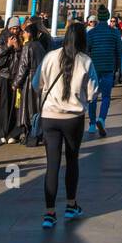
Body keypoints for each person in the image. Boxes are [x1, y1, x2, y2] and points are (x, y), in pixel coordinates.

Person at [32, 20, 98, 229]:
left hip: (49, 117)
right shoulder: (86, 61)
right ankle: (71, 206)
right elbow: (94, 92)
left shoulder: (50, 57)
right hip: (73, 119)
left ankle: (49, 214)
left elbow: (36, 85)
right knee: (72, 161)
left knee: (52, 164)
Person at [86, 4, 122, 137]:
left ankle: (91, 124)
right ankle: (101, 118)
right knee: (106, 96)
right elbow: (120, 52)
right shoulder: (114, 33)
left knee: (93, 97)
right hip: (108, 68)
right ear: (107, 18)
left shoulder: (91, 33)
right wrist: (119, 68)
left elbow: (86, 51)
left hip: (94, 69)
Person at [12, 19, 46, 144]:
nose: (23, 34)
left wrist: (16, 83)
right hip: (40, 80)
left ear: (29, 34)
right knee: (37, 108)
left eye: (25, 32)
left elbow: (23, 67)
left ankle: (28, 135)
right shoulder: (40, 46)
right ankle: (38, 133)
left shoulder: (28, 46)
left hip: (29, 81)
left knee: (27, 109)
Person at [0, 18, 22, 143]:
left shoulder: (21, 38)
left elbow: (23, 57)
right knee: (3, 104)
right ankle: (0, 132)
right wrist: (8, 46)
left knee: (15, 104)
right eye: (13, 28)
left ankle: (13, 133)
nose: (15, 31)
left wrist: (18, 48)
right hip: (3, 74)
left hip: (15, 75)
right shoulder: (2, 38)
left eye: (17, 28)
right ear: (8, 28)